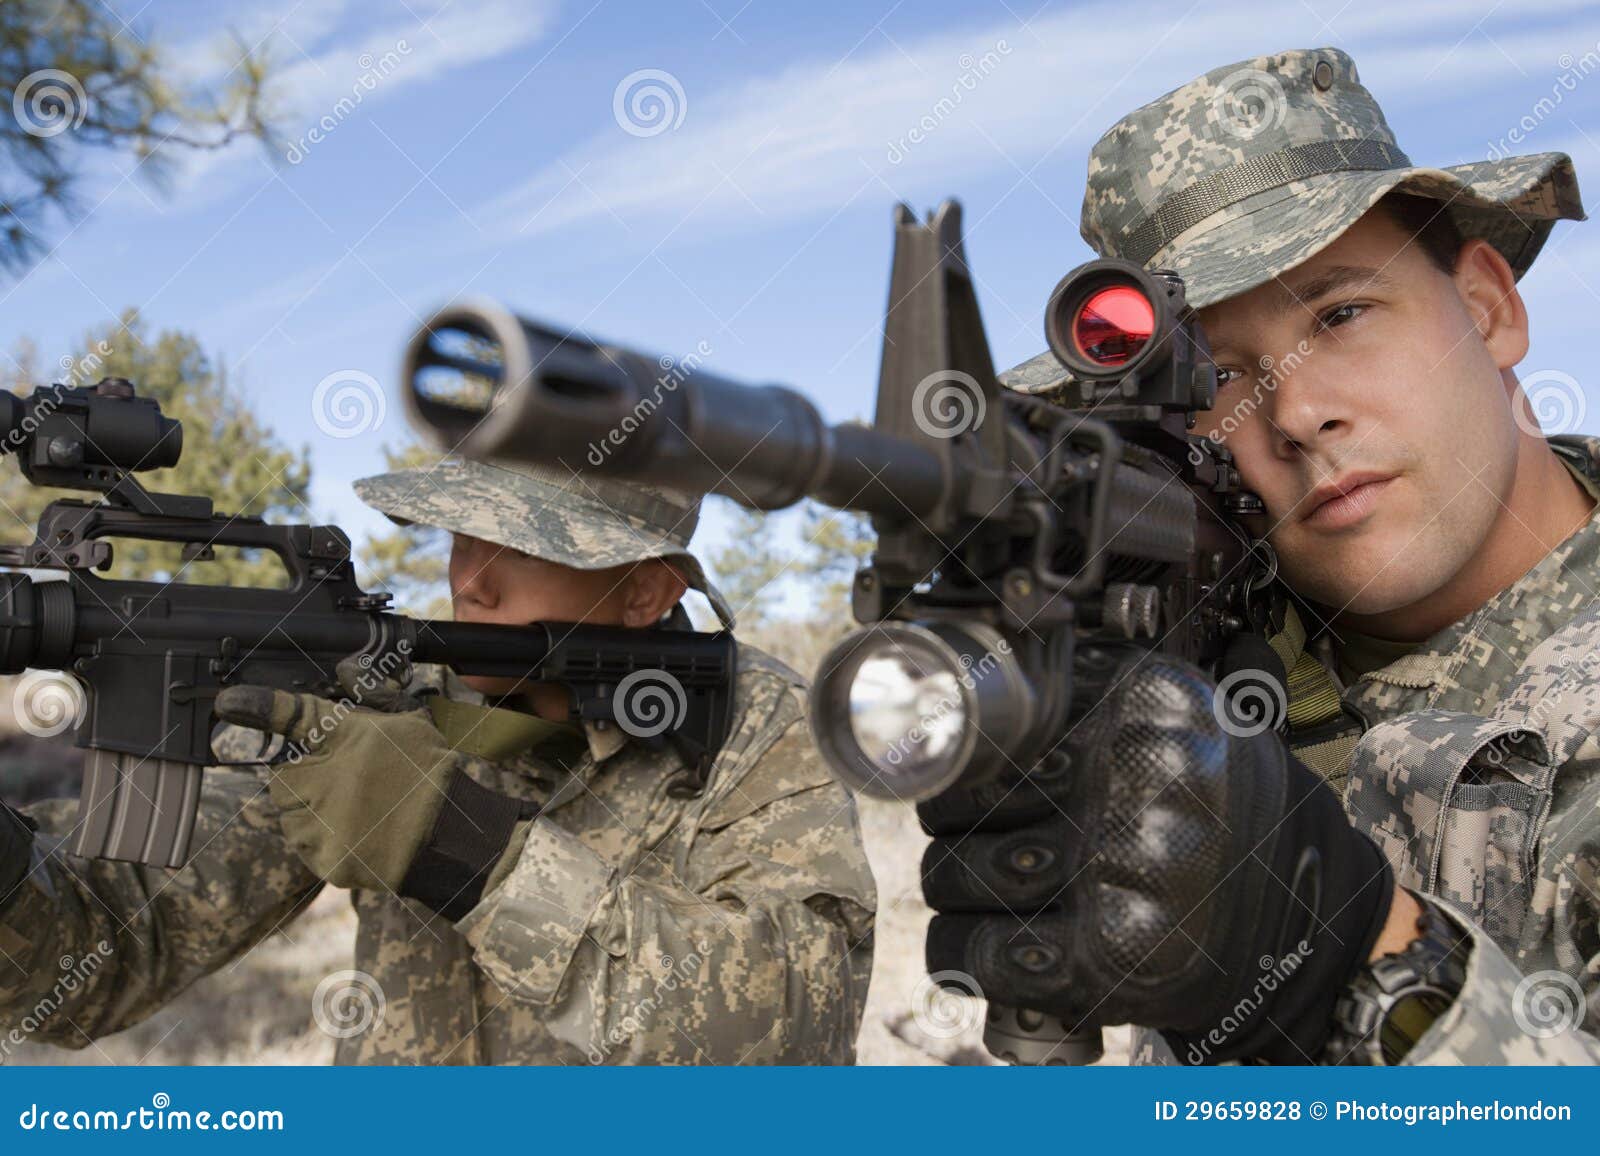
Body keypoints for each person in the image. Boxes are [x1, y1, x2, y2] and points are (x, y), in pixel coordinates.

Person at [923, 45, 1600, 1064]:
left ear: (1487, 307)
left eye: (1341, 313)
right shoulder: (1212, 678)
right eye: (1219, 378)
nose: (1294, 412)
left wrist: (1348, 962)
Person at [0, 457, 875, 1064]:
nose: (471, 582)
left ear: (646, 591)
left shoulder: (754, 721)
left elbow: (791, 1037)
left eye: (521, 547)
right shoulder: (388, 696)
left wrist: (462, 848)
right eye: (462, 536)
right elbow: (104, 955)